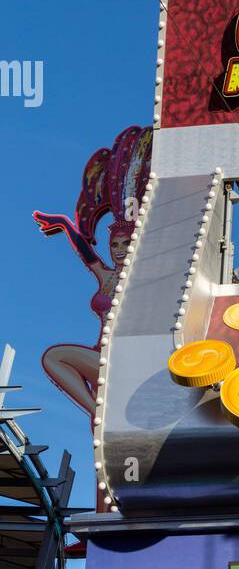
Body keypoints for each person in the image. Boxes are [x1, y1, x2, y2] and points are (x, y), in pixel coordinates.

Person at [34, 127, 152, 422]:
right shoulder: (107, 277)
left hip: (129, 360)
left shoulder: (148, 275)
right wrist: (62, 223)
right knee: (53, 357)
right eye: (114, 245)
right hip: (102, 360)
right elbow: (86, 252)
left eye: (126, 243)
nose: (119, 249)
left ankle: (102, 412)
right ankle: (97, 412)